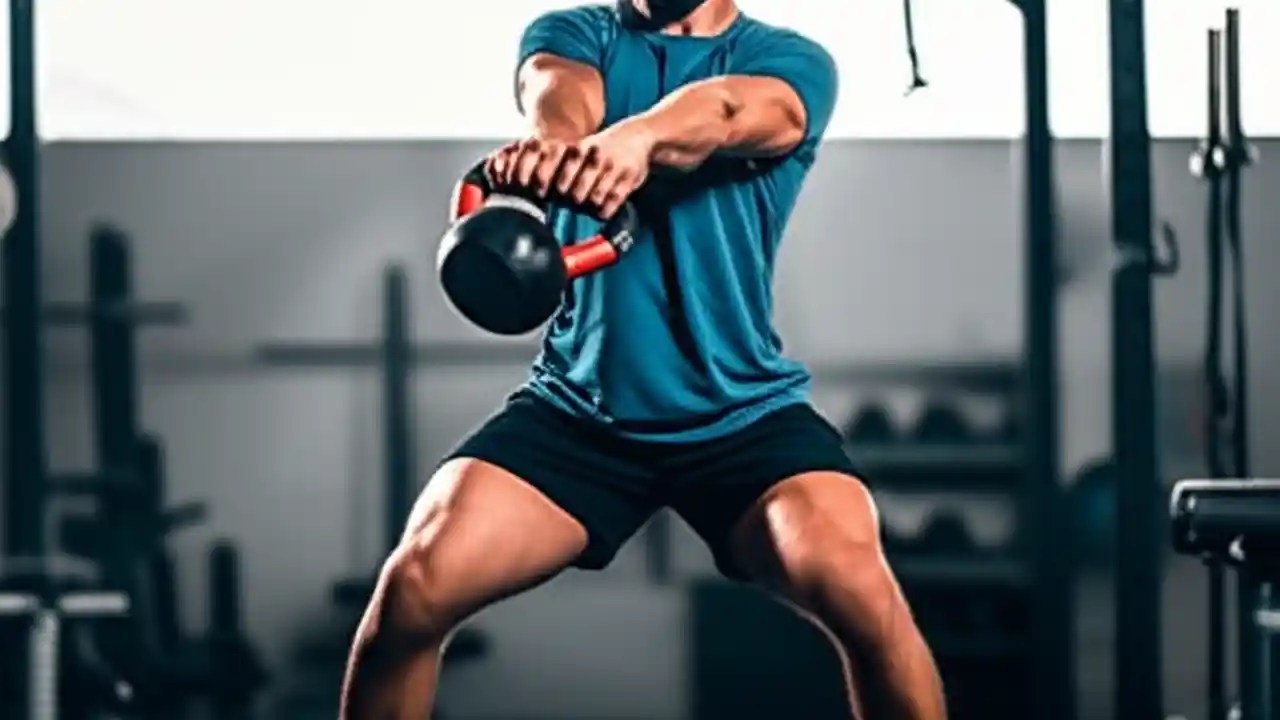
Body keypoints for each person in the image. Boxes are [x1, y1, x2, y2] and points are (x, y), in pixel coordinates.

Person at [339, 1, 947, 718]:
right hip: (578, 414)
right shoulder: (577, 33)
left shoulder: (791, 63)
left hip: (740, 414)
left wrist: (639, 140)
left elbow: (723, 112)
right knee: (413, 588)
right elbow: (555, 89)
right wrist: (555, 146)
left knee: (859, 590)